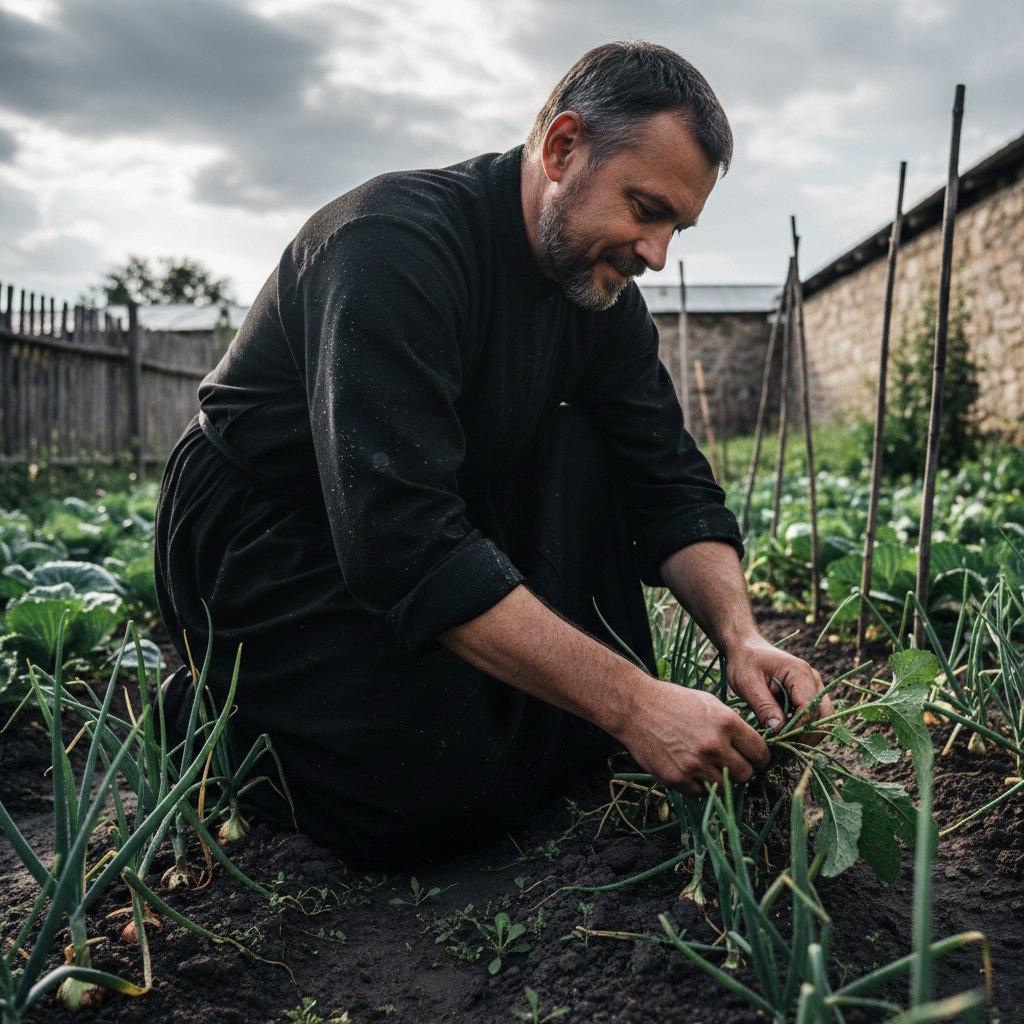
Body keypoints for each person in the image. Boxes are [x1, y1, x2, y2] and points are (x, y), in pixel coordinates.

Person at [156, 40, 829, 869]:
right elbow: (401, 542)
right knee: (433, 799)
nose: (655, 253)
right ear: (562, 148)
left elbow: (667, 476)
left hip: (429, 514)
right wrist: (633, 704)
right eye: (645, 208)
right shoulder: (390, 246)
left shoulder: (600, 293)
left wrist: (740, 637)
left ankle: (496, 714)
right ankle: (209, 709)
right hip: (268, 529)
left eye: (676, 229)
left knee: (569, 727)